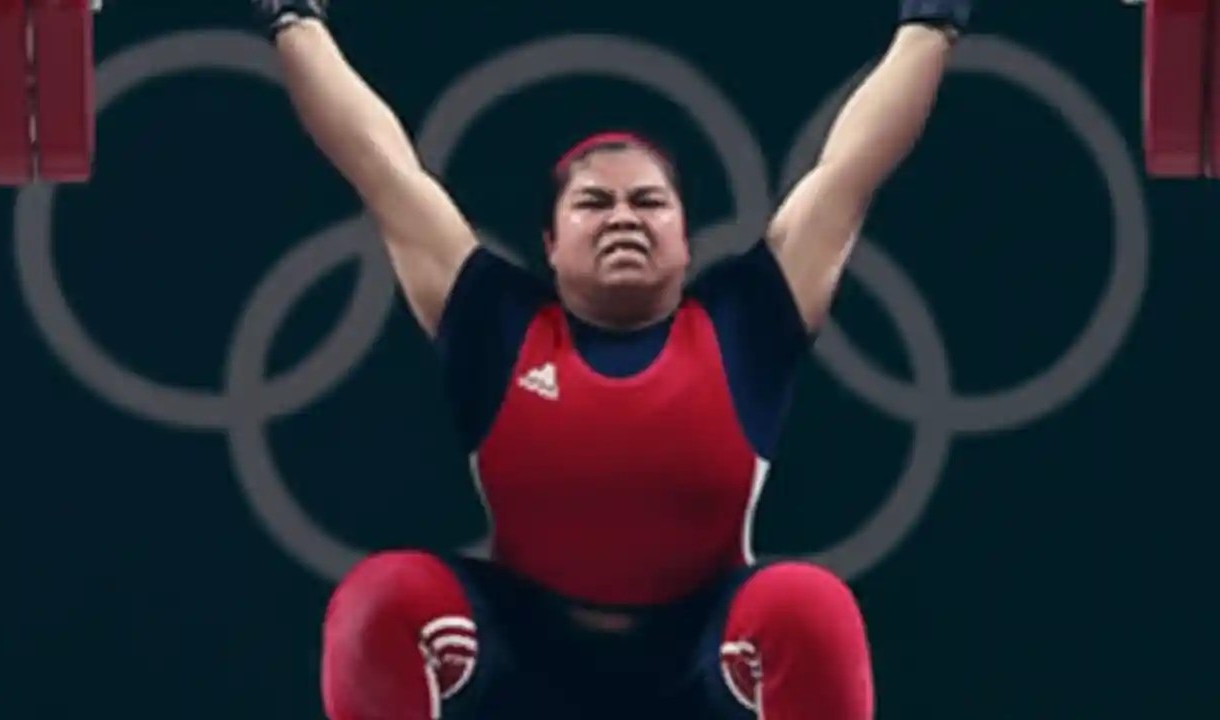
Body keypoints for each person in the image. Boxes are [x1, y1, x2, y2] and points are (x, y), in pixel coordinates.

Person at [250, 1, 973, 718]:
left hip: (702, 663)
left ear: (688, 241)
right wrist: (293, 17)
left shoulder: (748, 320)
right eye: (594, 203)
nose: (623, 216)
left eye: (649, 202)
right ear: (551, 245)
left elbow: (852, 166)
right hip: (519, 655)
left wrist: (931, 20)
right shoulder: (493, 325)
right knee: (380, 598)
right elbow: (380, 166)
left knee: (811, 607)